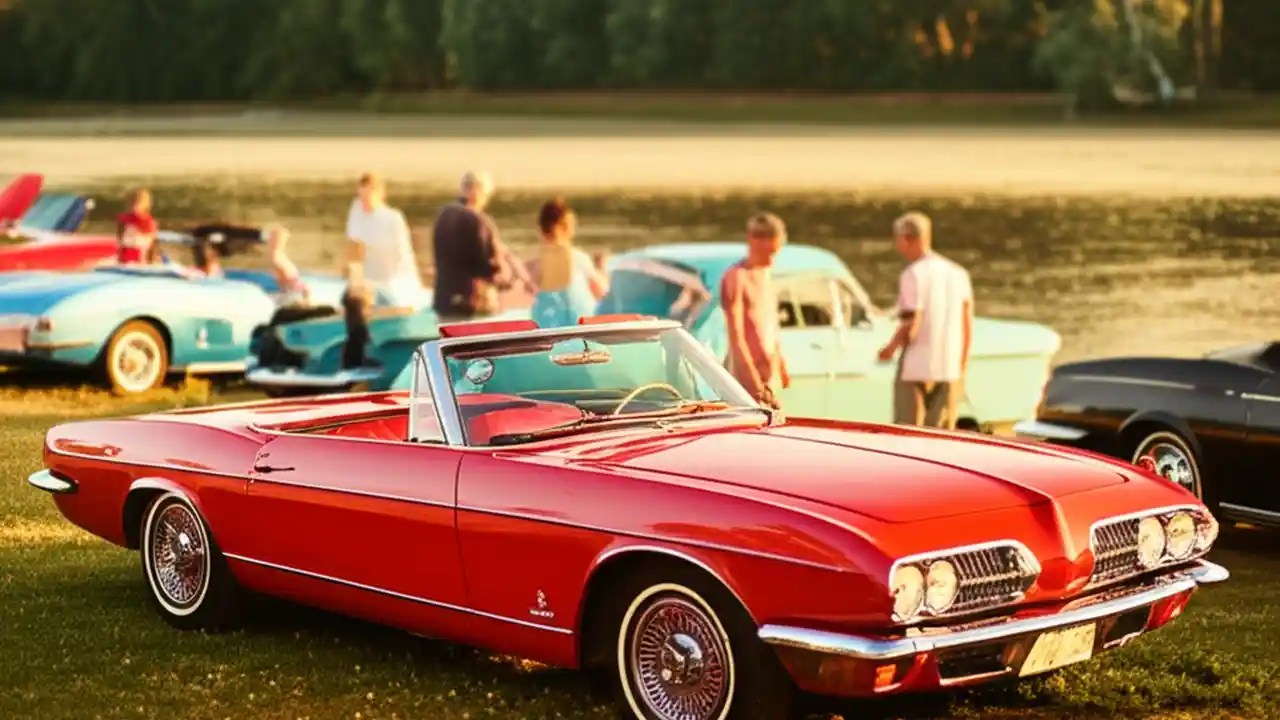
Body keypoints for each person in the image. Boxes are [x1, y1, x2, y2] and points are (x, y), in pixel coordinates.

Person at [877, 211, 974, 430]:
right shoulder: (958, 274)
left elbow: (912, 322)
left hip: (917, 366)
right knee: (941, 436)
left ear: (907, 239)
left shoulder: (913, 274)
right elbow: (967, 324)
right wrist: (962, 365)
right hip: (949, 365)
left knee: (907, 432)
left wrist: (890, 349)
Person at [721, 212, 790, 409]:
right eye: (768, 253)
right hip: (747, 381)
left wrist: (782, 365)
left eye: (775, 254)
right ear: (754, 241)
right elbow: (737, 339)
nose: (771, 261)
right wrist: (756, 388)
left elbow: (770, 324)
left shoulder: (765, 274)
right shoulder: (736, 278)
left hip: (770, 377)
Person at [344, 173, 427, 308]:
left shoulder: (393, 219)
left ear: (380, 194)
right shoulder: (356, 212)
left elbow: (405, 256)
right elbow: (353, 250)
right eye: (362, 195)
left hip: (393, 283)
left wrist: (414, 286)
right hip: (366, 283)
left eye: (369, 194)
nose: (364, 200)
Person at [431, 170, 504, 321]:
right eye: (485, 196)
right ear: (476, 191)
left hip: (444, 300)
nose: (485, 202)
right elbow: (489, 266)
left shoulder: (442, 216)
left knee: (449, 342)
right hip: (471, 302)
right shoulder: (479, 221)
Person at [526, 197, 608, 328]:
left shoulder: (534, 265)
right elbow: (603, 294)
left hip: (545, 329)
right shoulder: (579, 259)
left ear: (541, 230)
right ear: (568, 228)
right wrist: (602, 269)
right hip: (578, 326)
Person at [116, 188, 157, 264]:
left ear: (145, 204)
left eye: (138, 202)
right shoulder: (123, 220)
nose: (135, 205)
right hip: (127, 254)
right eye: (133, 202)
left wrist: (151, 261)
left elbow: (152, 244)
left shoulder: (149, 222)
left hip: (141, 255)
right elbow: (120, 240)